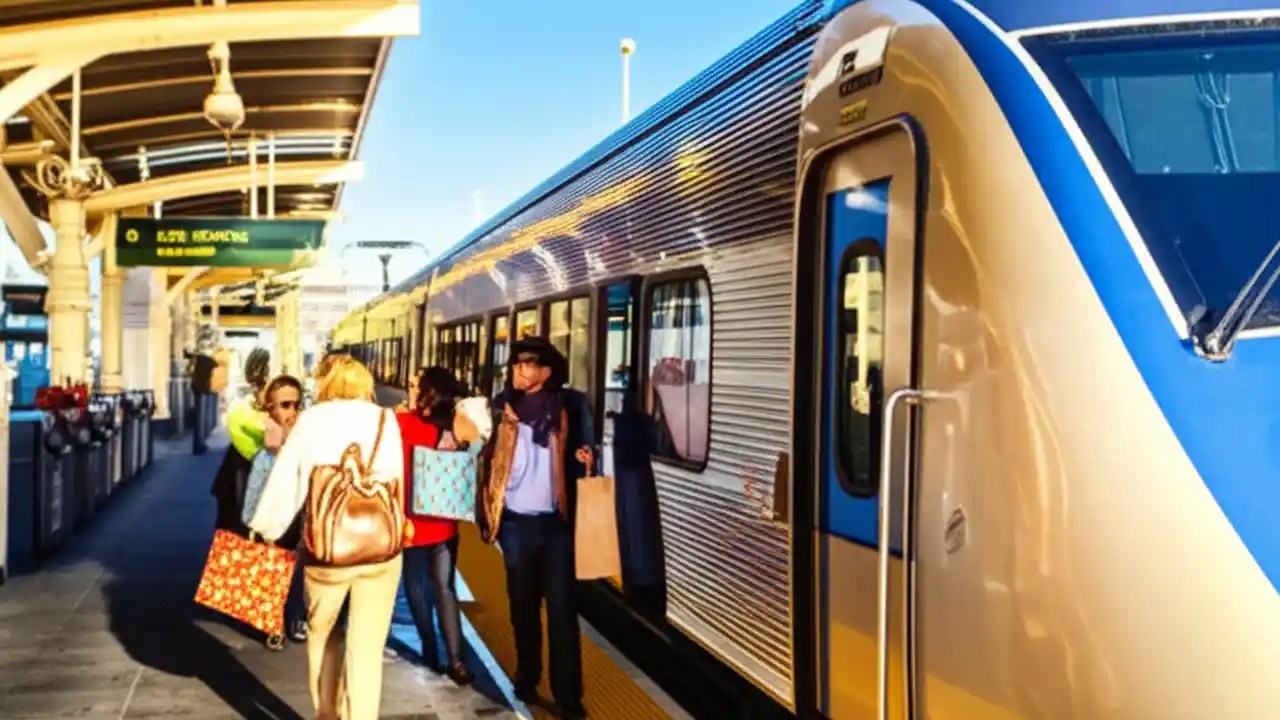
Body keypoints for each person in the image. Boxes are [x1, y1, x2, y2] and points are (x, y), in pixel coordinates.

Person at [248, 356, 406, 720]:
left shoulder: (312, 420)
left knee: (323, 634)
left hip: (327, 548)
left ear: (326, 384)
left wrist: (267, 530)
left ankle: (327, 713)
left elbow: (289, 479)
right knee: (367, 648)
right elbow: (396, 482)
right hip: (380, 549)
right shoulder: (386, 419)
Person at [479, 336, 594, 719]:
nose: (519, 369)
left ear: (547, 370)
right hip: (516, 523)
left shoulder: (569, 406)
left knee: (563, 612)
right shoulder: (502, 407)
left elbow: (586, 455)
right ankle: (526, 677)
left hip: (555, 524)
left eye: (528, 363)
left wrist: (585, 460)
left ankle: (568, 698)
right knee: (523, 608)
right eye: (515, 363)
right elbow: (486, 454)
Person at [396, 367, 476, 686]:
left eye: (416, 385)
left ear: (427, 393)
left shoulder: (402, 423)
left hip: (411, 522)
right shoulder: (458, 425)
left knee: (416, 588)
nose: (410, 388)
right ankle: (457, 660)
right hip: (445, 521)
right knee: (445, 588)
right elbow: (476, 445)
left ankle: (431, 648)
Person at [242, 374, 309, 647]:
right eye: (284, 405)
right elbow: (251, 502)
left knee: (302, 569)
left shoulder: (309, 438)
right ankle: (273, 623)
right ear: (270, 408)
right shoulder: (263, 449)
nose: (292, 412)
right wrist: (273, 452)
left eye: (296, 404)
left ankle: (296, 618)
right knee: (275, 563)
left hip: (305, 521)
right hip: (275, 523)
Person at [210, 347, 272, 533]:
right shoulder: (272, 411)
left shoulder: (240, 409)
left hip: (235, 469)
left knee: (234, 528)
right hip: (258, 474)